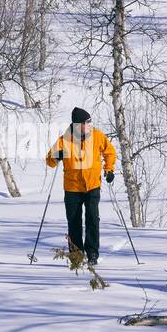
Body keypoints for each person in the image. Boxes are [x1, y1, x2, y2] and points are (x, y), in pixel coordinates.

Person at [45, 107, 117, 266]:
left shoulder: (97, 136)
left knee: (92, 219)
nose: (90, 124)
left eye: (90, 121)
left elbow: (110, 153)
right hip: (72, 187)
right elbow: (49, 161)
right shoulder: (65, 139)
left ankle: (92, 254)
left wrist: (109, 169)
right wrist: (57, 155)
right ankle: (76, 256)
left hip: (92, 185)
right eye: (87, 122)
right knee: (74, 222)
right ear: (78, 125)